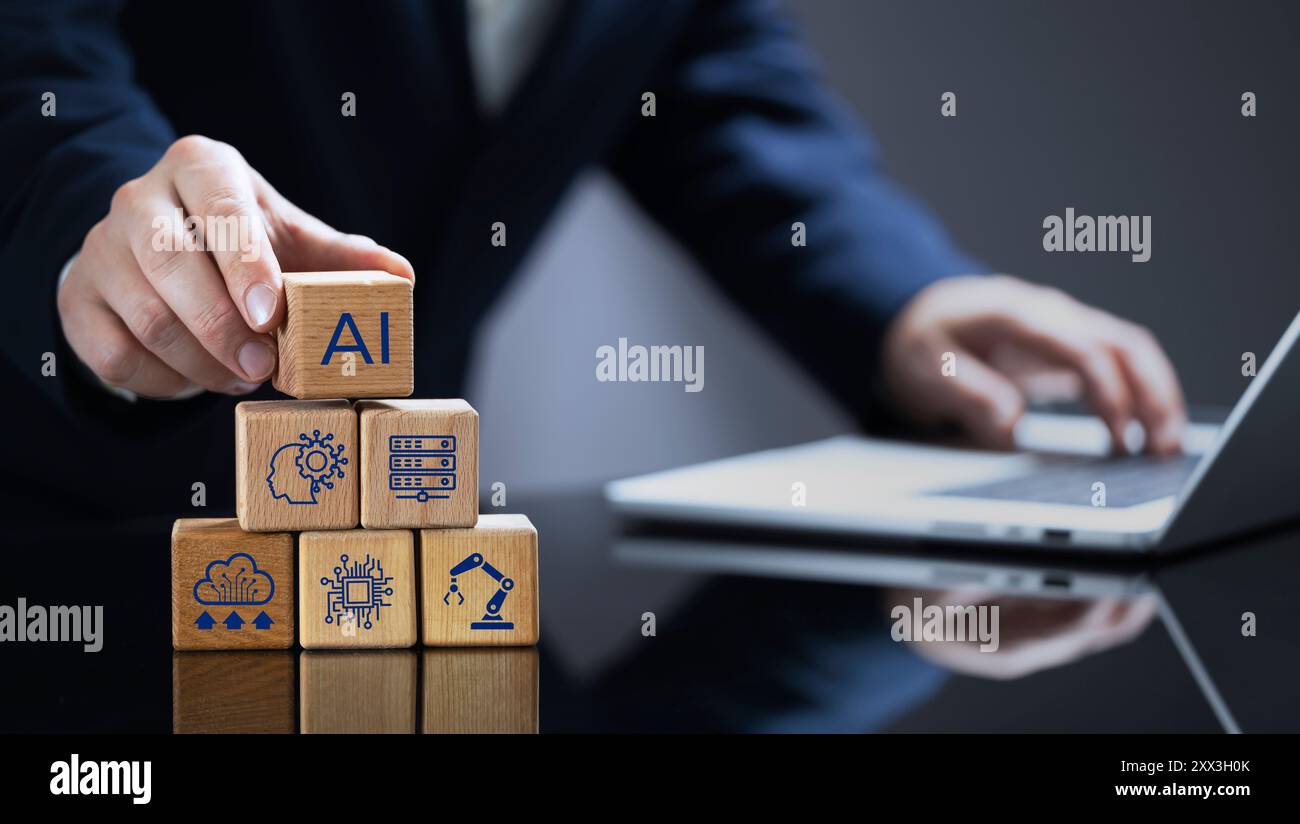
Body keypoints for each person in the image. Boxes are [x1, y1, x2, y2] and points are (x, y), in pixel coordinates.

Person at [0, 0, 1183, 519]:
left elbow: (723, 93)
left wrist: (907, 301)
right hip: (58, 532)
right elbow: (28, 56)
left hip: (403, 548)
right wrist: (97, 225)